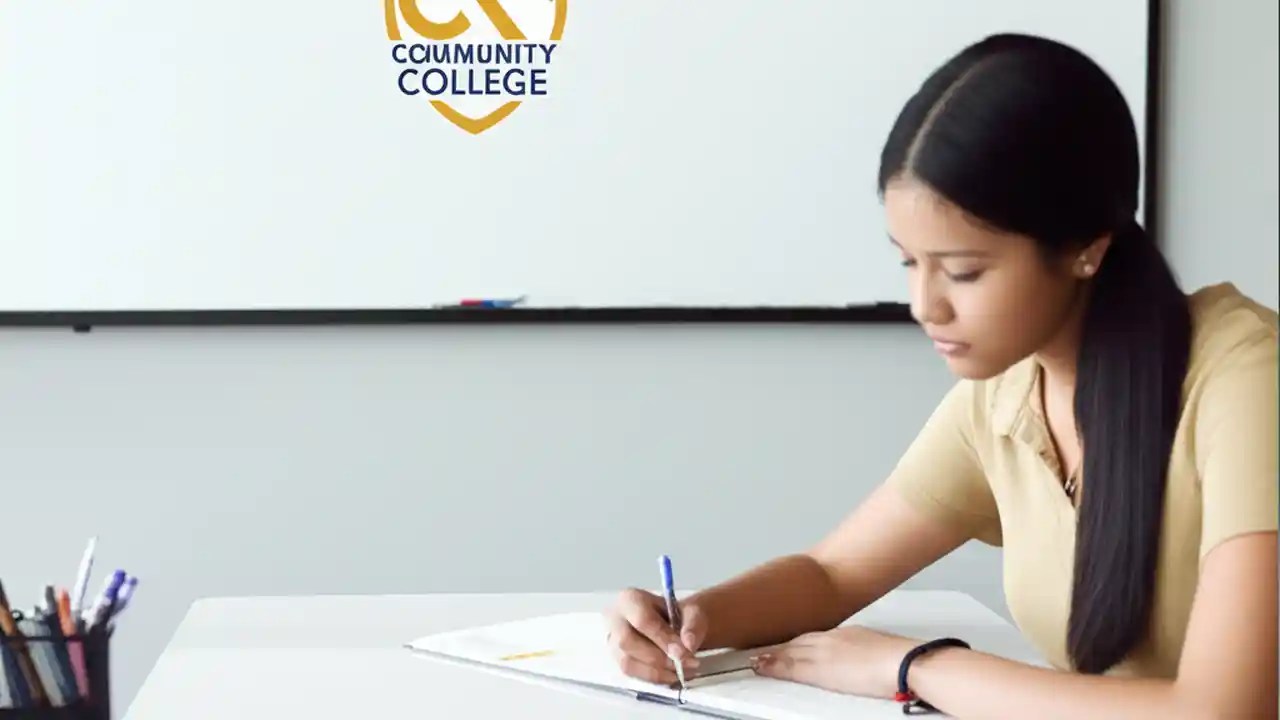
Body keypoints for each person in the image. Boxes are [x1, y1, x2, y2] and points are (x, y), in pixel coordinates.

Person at [605, 33, 1278, 718]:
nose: (925, 304)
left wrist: (919, 665)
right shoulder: (1006, 397)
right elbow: (833, 574)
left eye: (962, 271)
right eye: (908, 262)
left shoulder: (1248, 382)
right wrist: (692, 619)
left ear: (1086, 247)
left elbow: (1223, 710)